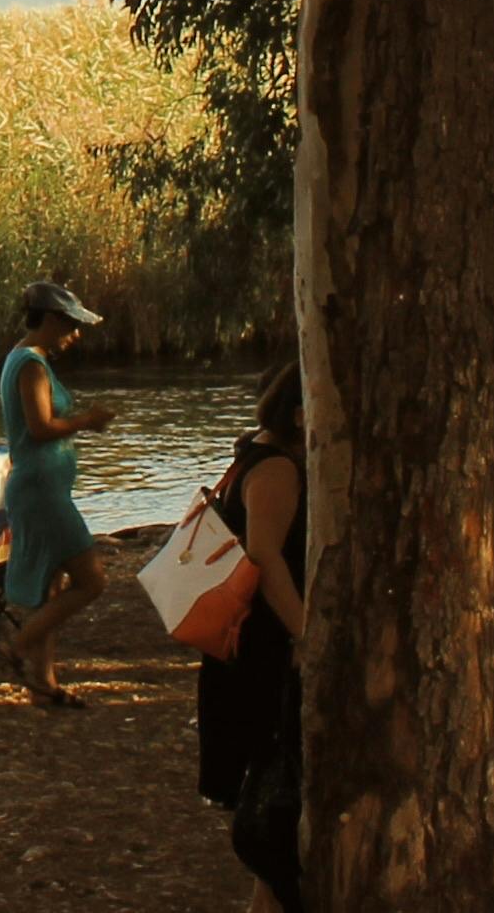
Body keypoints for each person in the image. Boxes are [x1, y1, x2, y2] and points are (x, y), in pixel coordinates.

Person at [197, 362, 306, 913]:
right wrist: (306, 632)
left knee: (273, 802)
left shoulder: (251, 450)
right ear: (300, 413)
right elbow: (265, 558)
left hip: (246, 639)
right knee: (276, 796)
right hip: (261, 643)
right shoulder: (279, 467)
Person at [0, 279, 117, 705]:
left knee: (50, 584)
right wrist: (88, 420)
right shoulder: (30, 363)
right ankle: (16, 645)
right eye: (70, 324)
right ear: (49, 320)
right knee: (92, 580)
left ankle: (44, 684)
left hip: (42, 487)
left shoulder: (27, 359)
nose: (75, 333)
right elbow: (40, 426)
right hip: (40, 490)